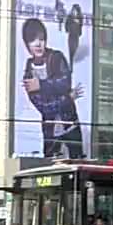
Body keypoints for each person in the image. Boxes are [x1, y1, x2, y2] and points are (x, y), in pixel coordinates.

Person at [21, 17, 85, 159]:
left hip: (70, 123)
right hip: (50, 130)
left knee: (77, 161)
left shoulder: (56, 57)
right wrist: (67, 98)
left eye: (42, 39)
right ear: (27, 44)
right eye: (33, 40)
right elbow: (45, 108)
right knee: (49, 165)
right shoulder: (28, 73)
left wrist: (41, 85)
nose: (38, 44)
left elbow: (65, 82)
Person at [66, 3, 83, 67]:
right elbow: (66, 24)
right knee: (71, 49)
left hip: (76, 36)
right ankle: (71, 64)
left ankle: (73, 62)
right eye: (73, 10)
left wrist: (80, 32)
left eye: (76, 10)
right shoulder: (70, 17)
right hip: (71, 35)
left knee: (75, 48)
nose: (74, 11)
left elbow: (81, 26)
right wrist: (68, 29)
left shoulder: (80, 17)